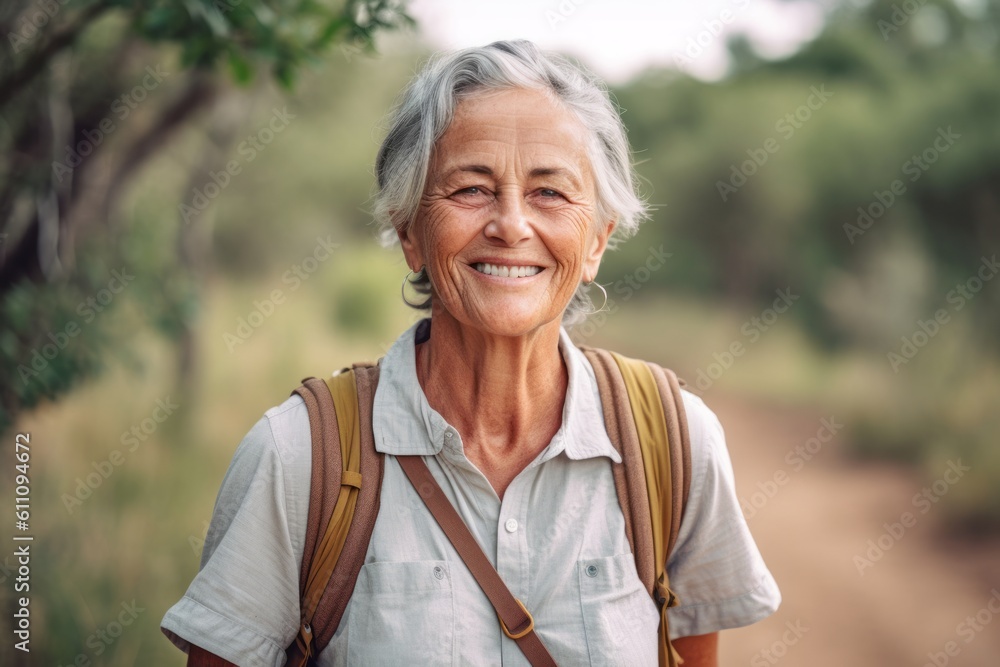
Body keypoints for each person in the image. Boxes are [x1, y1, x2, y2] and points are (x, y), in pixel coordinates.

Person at [161, 39, 780, 666]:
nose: (511, 225)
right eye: (471, 189)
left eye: (549, 193)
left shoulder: (675, 444)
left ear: (596, 242)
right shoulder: (297, 459)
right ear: (409, 234)